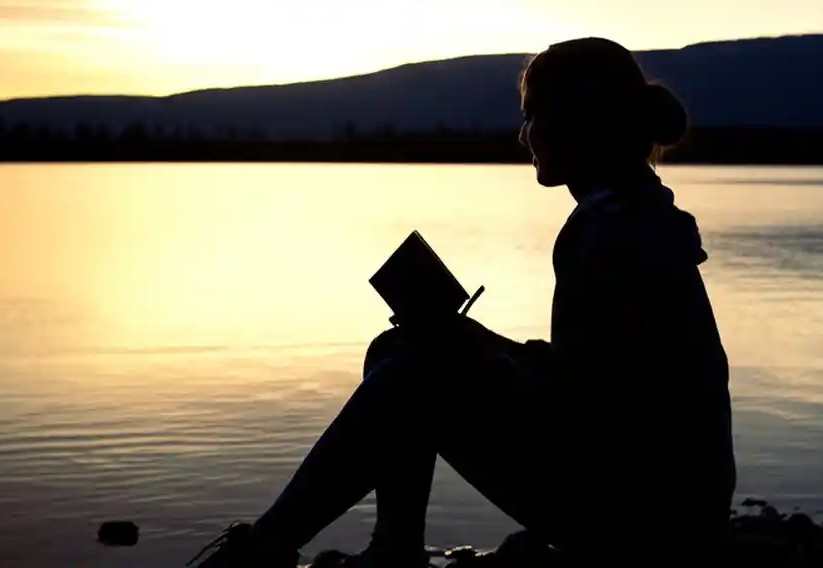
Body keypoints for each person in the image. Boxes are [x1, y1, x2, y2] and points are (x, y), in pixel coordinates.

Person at [188, 37, 735, 567]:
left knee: (409, 375)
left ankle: (265, 551)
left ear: (574, 123)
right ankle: (392, 548)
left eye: (532, 116)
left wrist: (474, 359)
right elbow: (600, 378)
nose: (525, 135)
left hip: (643, 527)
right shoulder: (643, 212)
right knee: (400, 347)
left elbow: (585, 412)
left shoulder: (606, 232)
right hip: (668, 505)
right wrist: (473, 343)